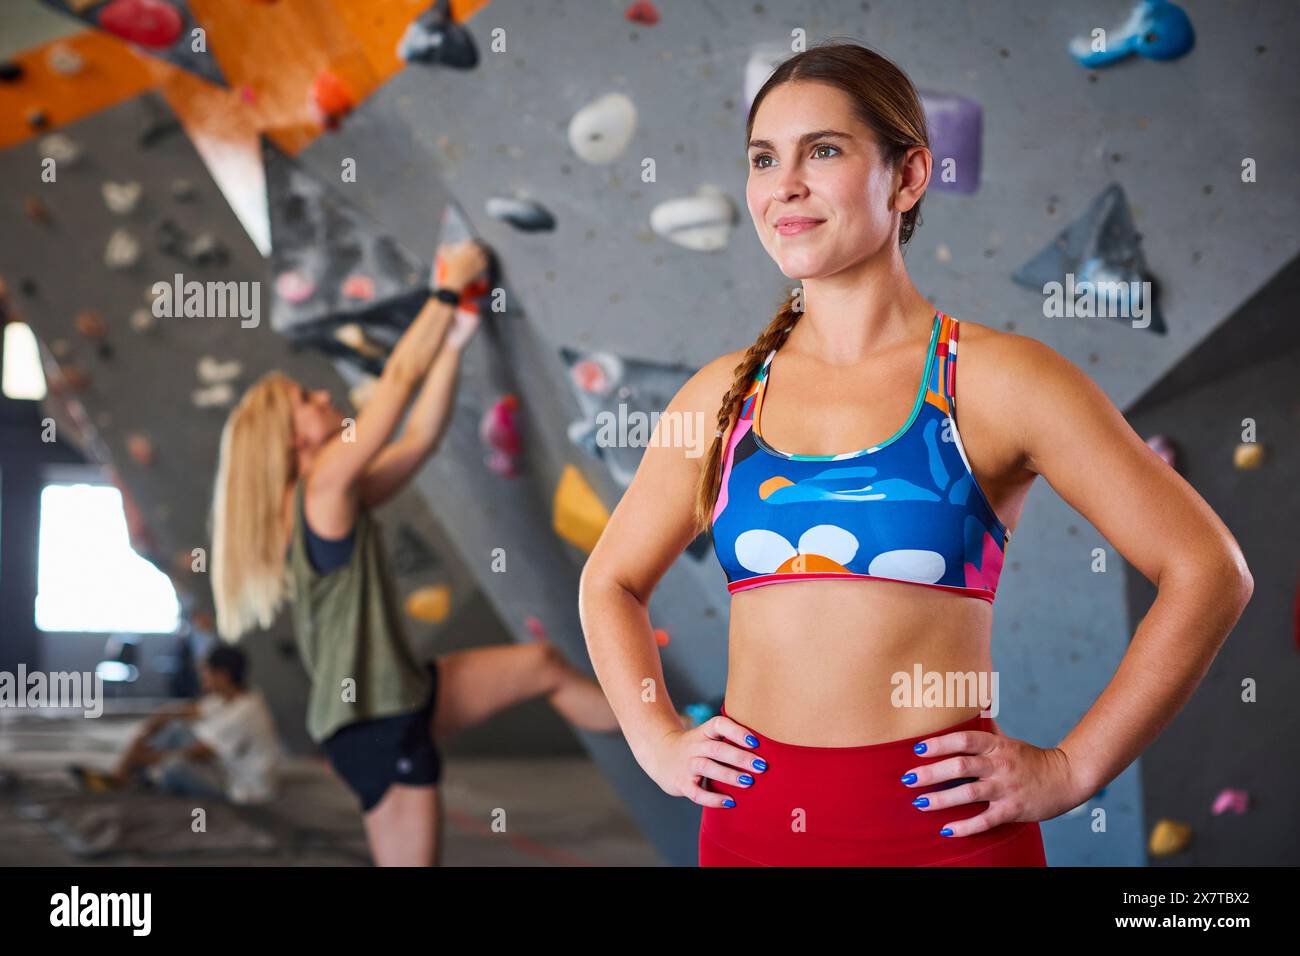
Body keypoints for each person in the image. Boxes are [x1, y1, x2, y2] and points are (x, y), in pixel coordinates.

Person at [578, 41, 1253, 867]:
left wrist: (1073, 768)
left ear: (907, 176)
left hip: (946, 839)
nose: (784, 183)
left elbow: (1208, 570)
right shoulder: (722, 395)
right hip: (752, 832)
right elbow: (609, 582)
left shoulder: (998, 381)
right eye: (763, 158)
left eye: (821, 150)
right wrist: (656, 741)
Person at [210, 238, 621, 866]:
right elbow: (396, 382)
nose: (324, 399)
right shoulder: (322, 487)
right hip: (374, 724)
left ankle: (674, 727)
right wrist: (447, 287)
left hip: (399, 695)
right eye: (308, 403)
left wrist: (455, 338)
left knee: (541, 663)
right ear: (292, 440)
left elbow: (422, 437)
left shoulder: (335, 496)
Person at [71, 645, 280, 805]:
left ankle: (134, 777)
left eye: (206, 672)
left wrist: (144, 757)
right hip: (221, 769)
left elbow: (200, 752)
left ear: (222, 675)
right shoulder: (227, 698)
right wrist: (151, 727)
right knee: (176, 729)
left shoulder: (245, 712)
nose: (202, 678)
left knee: (172, 769)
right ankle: (121, 776)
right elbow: (187, 711)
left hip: (241, 786)